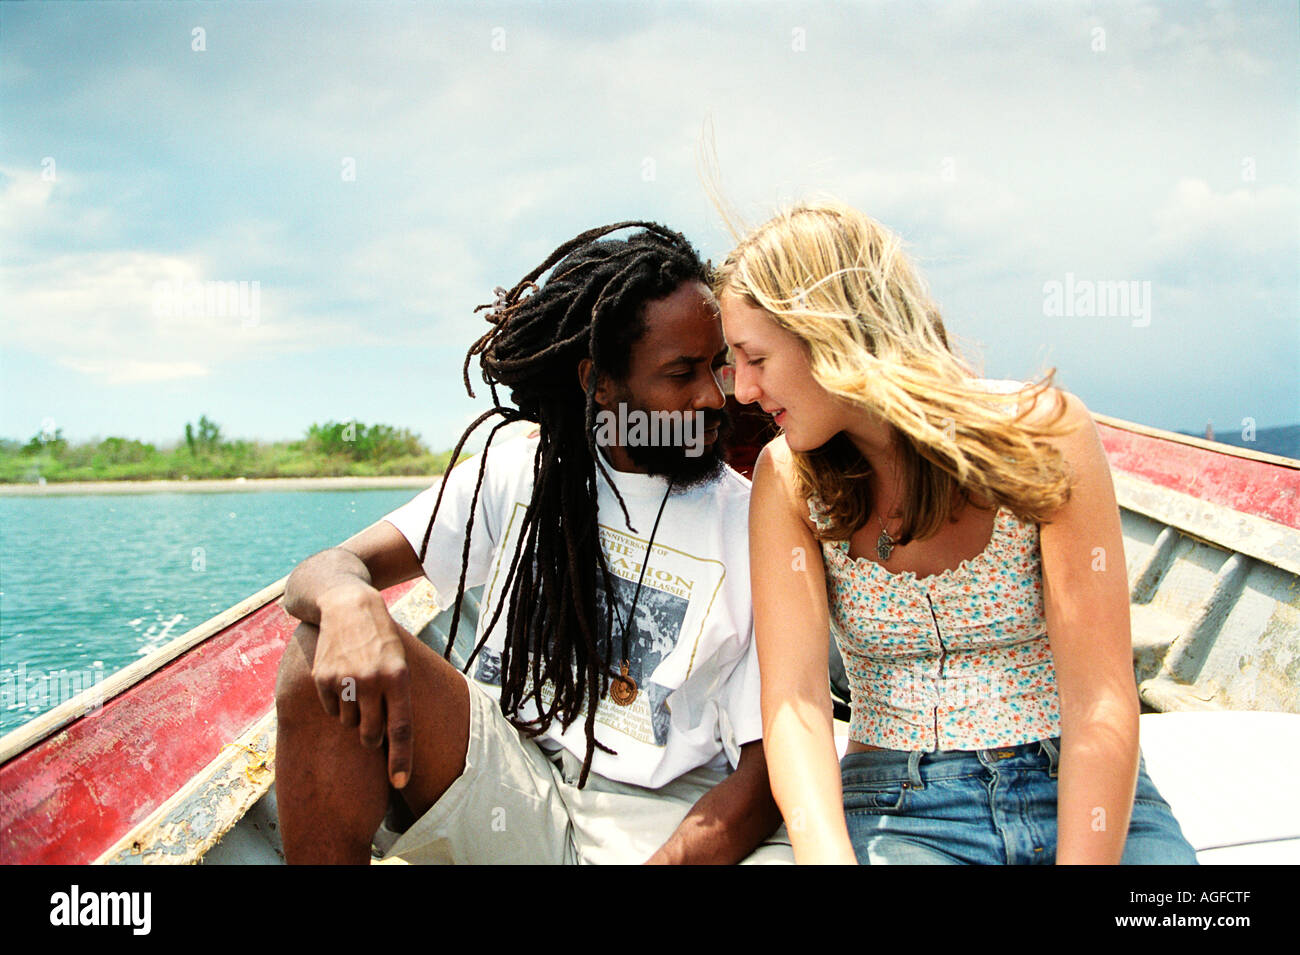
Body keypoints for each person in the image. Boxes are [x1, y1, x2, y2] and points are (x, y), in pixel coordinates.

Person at [274, 221, 789, 864]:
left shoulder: (753, 524)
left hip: (665, 825)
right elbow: (321, 572)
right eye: (682, 373)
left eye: (717, 365)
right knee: (318, 646)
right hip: (515, 788)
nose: (715, 397)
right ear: (598, 383)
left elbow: (770, 770)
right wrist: (351, 606)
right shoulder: (525, 472)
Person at [713, 200, 1197, 865]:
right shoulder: (786, 480)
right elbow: (797, 703)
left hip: (1083, 787)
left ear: (827, 334)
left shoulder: (1046, 434)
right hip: (903, 808)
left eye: (755, 357)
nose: (741, 390)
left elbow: (1101, 695)